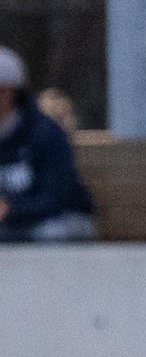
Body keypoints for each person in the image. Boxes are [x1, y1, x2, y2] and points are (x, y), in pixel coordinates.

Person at [0, 47, 95, 243]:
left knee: (51, 231)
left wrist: (12, 209)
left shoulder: (44, 134)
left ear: (8, 93)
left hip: (58, 218)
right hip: (12, 224)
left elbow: (56, 197)